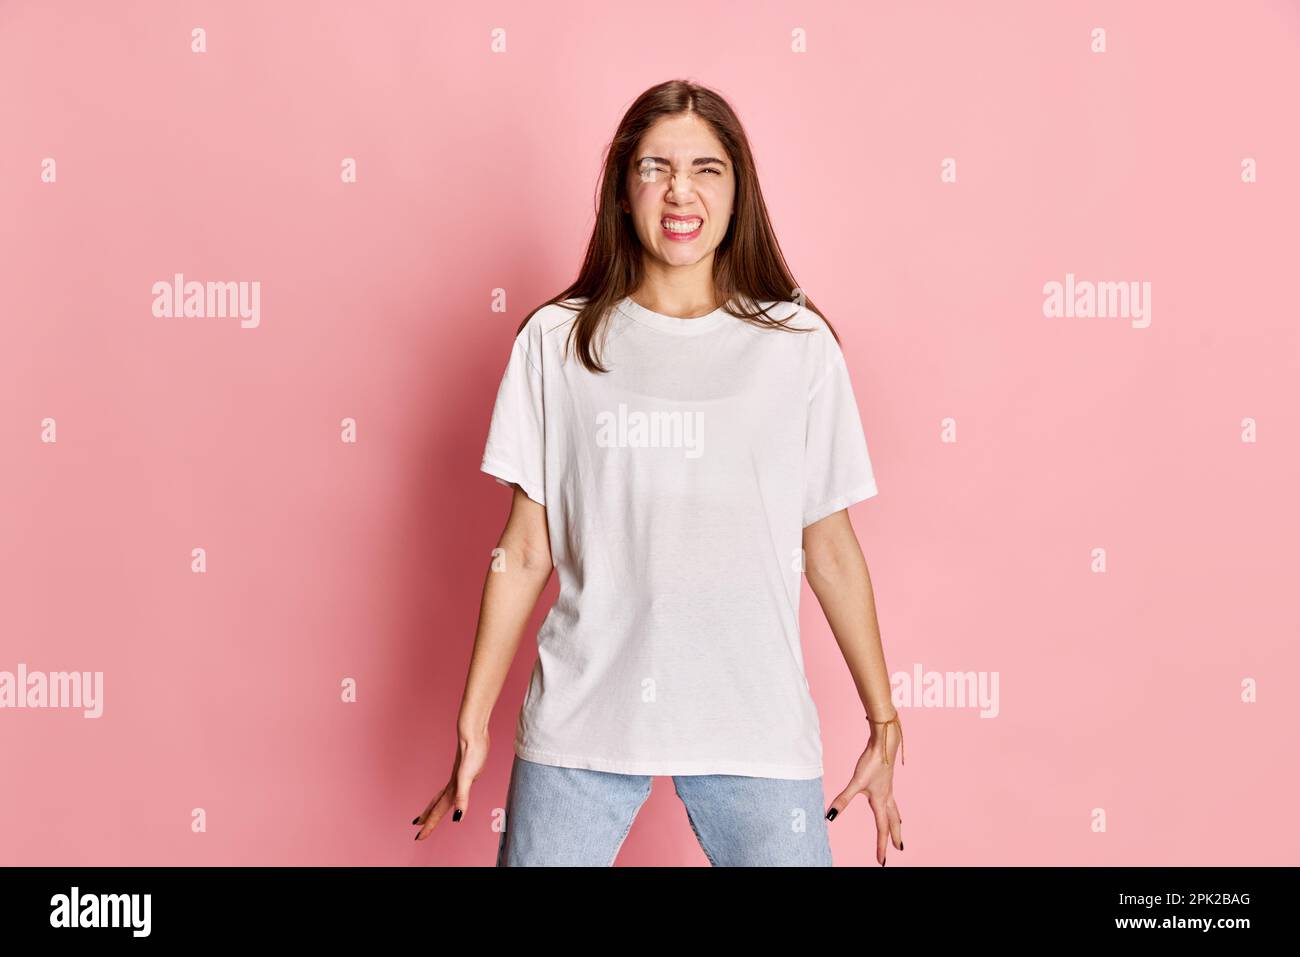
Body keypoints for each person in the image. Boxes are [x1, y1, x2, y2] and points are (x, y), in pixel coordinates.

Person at [413, 79, 904, 866]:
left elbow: (830, 545)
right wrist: (472, 722)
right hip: (583, 717)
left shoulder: (798, 345)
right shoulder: (557, 341)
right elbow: (526, 550)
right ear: (623, 188)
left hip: (756, 721)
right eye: (655, 167)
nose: (681, 190)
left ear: (739, 191)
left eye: (707, 169)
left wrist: (884, 718)